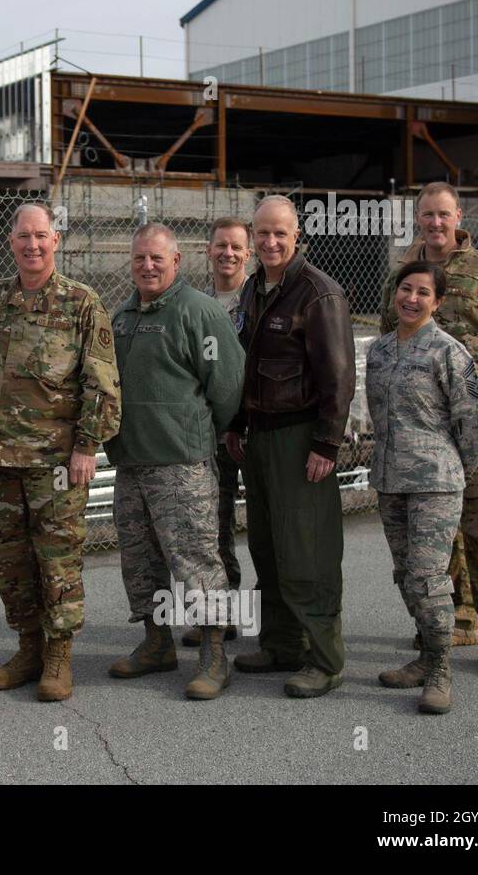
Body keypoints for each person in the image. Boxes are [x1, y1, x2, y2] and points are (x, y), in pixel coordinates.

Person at [380, 182, 478, 679]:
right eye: (427, 215)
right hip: (422, 435)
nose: (435, 223)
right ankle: (456, 619)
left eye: (443, 214)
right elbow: (390, 340)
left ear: (458, 216)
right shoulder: (404, 277)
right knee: (436, 537)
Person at [0, 203, 121, 702]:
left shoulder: (81, 303)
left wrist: (86, 446)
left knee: (57, 560)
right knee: (11, 562)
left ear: (56, 240)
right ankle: (27, 647)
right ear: (11, 242)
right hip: (4, 461)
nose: (32, 245)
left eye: (41, 236)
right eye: (23, 237)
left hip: (57, 463)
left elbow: (102, 383)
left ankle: (59, 655)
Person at [105, 224, 244, 699]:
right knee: (140, 561)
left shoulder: (198, 312)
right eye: (140, 258)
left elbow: (226, 385)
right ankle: (156, 641)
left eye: (157, 259)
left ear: (177, 261)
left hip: (181, 464)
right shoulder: (121, 316)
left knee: (197, 560)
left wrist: (207, 431)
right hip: (131, 463)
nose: (147, 266)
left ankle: (213, 654)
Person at [224, 195, 356, 699]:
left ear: (296, 235)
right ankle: (282, 644)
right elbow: (245, 363)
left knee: (308, 551)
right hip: (259, 436)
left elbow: (338, 377)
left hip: (302, 438)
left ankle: (324, 660)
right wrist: (236, 423)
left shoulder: (318, 294)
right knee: (268, 546)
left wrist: (326, 442)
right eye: (262, 233)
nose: (270, 242)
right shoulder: (256, 288)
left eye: (280, 233)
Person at [367, 261, 478, 714]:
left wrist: (454, 470)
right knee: (405, 576)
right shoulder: (378, 351)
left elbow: (472, 423)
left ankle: (439, 670)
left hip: (435, 482)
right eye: (405, 289)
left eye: (422, 292)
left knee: (428, 578)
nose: (411, 298)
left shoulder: (450, 353)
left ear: (437, 302)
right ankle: (424, 657)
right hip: (389, 480)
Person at [182, 217, 253, 648]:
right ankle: (221, 613)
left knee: (268, 527)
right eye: (220, 246)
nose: (227, 253)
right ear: (208, 251)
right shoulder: (198, 304)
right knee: (213, 524)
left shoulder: (261, 299)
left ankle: (279, 620)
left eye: (236, 247)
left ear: (249, 254)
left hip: (259, 430)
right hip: (214, 432)